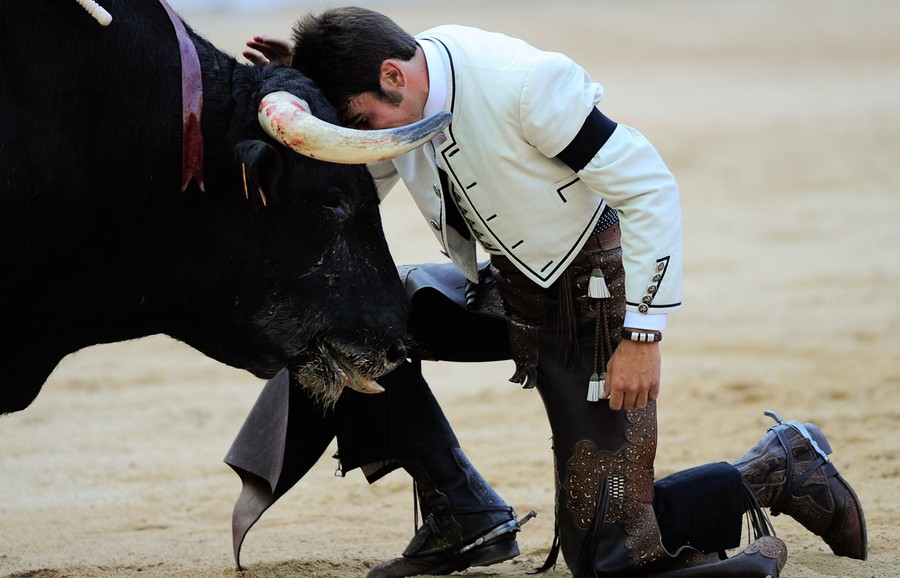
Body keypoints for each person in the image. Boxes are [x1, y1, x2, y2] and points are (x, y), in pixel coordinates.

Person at [226, 7, 866, 577]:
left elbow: (649, 187)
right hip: (507, 292)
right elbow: (354, 177)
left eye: (363, 118)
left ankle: (781, 466)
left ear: (393, 75)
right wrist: (309, 102)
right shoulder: (405, 88)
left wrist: (643, 333)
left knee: (607, 554)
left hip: (593, 311)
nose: (367, 132)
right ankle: (464, 513)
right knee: (343, 329)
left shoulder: (526, 85)